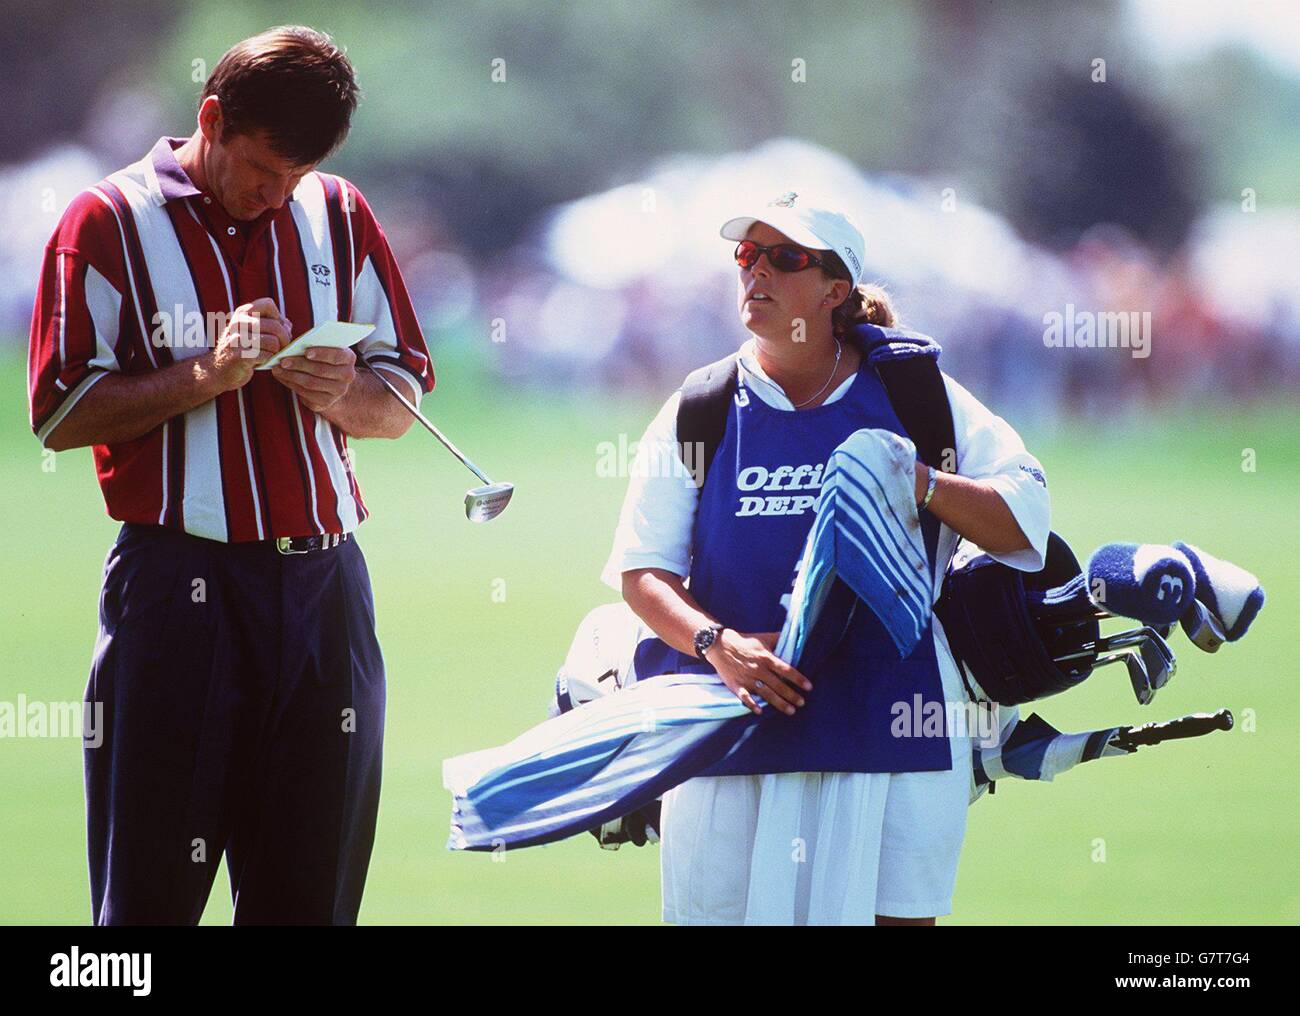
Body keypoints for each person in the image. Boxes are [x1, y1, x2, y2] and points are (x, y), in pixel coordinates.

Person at [27, 26, 434, 924]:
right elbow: (58, 413)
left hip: (327, 593)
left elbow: (400, 398)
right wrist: (205, 374)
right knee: (146, 912)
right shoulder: (105, 221)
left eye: (295, 177)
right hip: (181, 588)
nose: (276, 195)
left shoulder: (335, 209)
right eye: (261, 170)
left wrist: (342, 390)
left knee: (311, 904)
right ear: (211, 117)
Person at [602, 192, 1051, 925]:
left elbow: (1023, 519)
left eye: (785, 259)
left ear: (836, 290)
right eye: (747, 256)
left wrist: (923, 481)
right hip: (735, 722)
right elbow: (642, 571)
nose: (757, 273)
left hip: (893, 721)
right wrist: (718, 644)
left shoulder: (914, 391)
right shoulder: (701, 405)